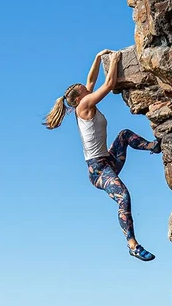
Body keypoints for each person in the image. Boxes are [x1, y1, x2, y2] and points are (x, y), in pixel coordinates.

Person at [44, 49, 162, 261]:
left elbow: (90, 80)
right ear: (80, 97)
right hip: (98, 171)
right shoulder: (84, 106)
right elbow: (107, 85)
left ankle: (153, 147)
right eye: (84, 90)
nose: (88, 88)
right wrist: (115, 61)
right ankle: (133, 245)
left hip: (108, 160)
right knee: (123, 196)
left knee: (124, 135)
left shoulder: (83, 99)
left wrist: (98, 58)